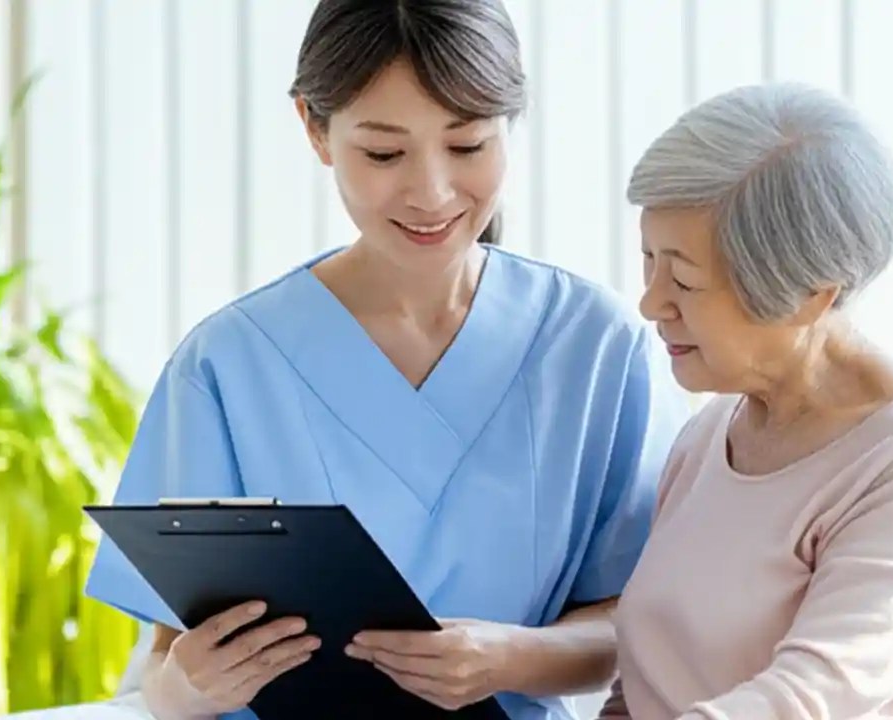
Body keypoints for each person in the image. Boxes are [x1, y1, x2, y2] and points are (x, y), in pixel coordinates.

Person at [83, 2, 687, 719]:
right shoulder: (227, 365)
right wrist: (193, 686)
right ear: (315, 128)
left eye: (467, 145)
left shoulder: (595, 348)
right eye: (383, 154)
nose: (432, 192)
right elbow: (163, 666)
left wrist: (507, 659)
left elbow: (645, 625)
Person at [598, 84, 893, 720]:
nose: (651, 303)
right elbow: (645, 680)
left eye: (683, 279)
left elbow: (804, 701)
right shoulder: (711, 433)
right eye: (649, 261)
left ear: (810, 295)